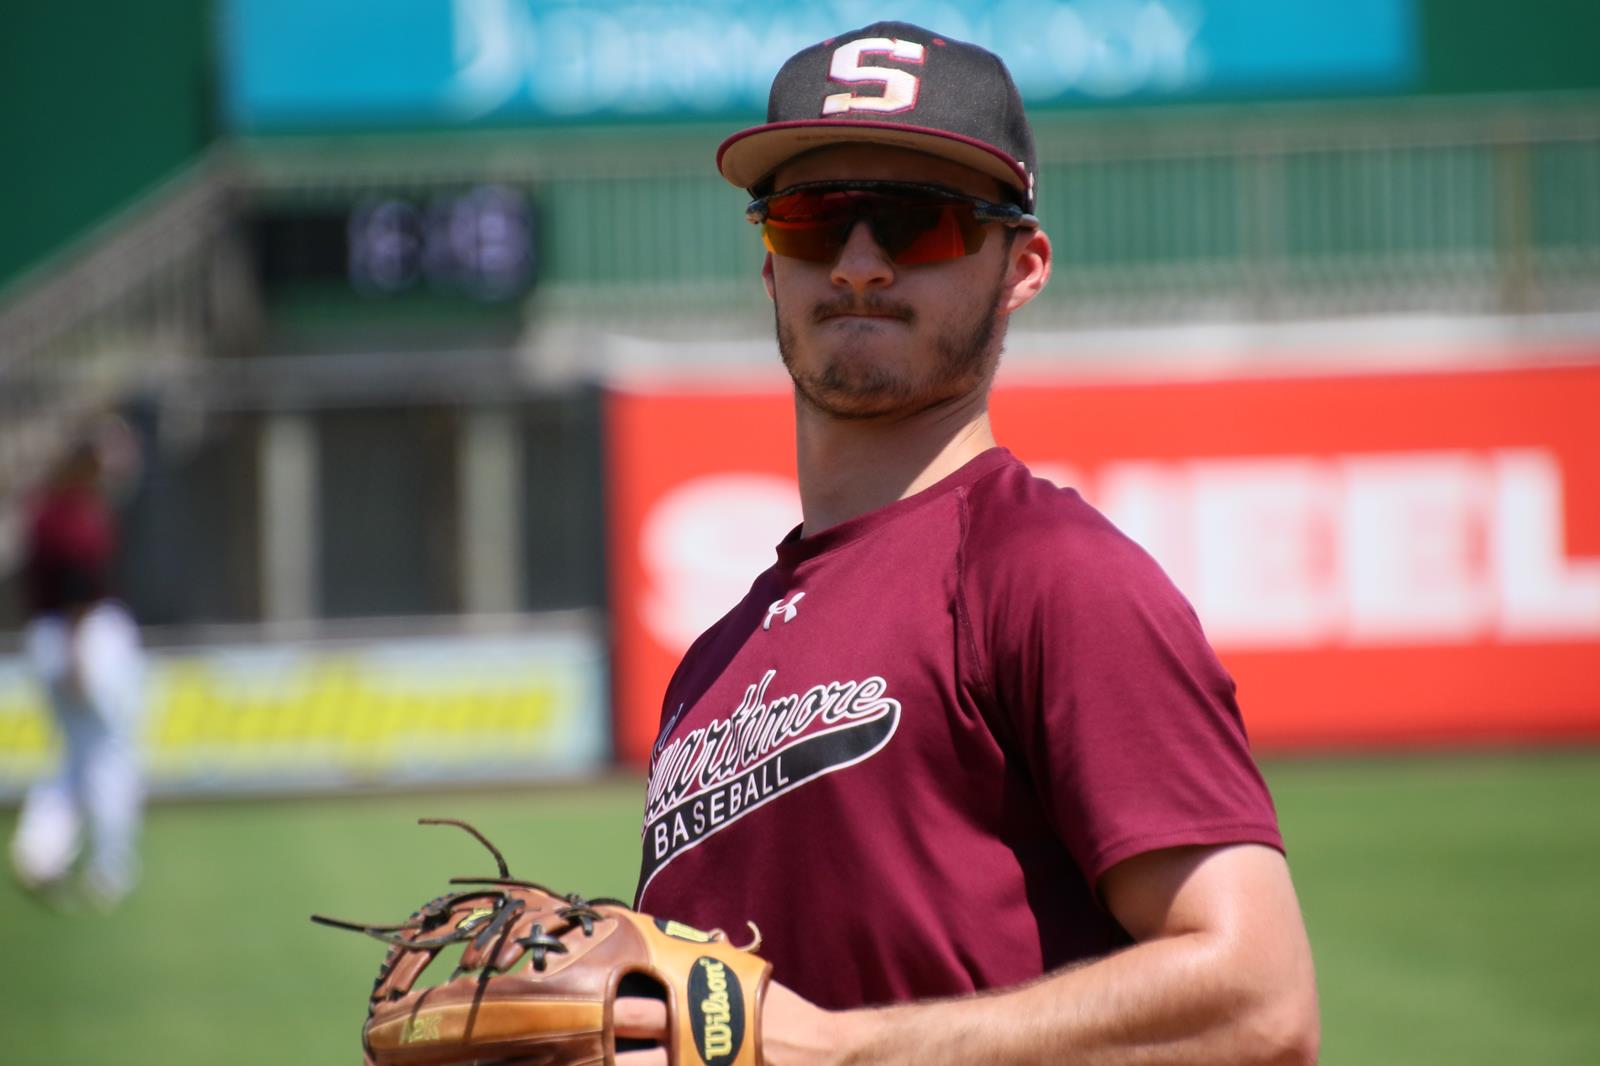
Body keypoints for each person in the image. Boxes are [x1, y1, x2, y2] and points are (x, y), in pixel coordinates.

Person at [621, 22, 1318, 1065]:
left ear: (1021, 267)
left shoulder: (1047, 574)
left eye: (919, 223)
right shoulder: (715, 660)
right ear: (772, 270)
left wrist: (845, 1051)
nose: (857, 264)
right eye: (810, 221)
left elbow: (1258, 1002)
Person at [8, 430, 146, 909]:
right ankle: (110, 868)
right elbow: (77, 588)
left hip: (54, 638)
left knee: (76, 755)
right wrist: (78, 653)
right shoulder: (76, 514)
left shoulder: (45, 508)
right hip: (82, 640)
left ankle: (39, 851)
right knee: (110, 755)